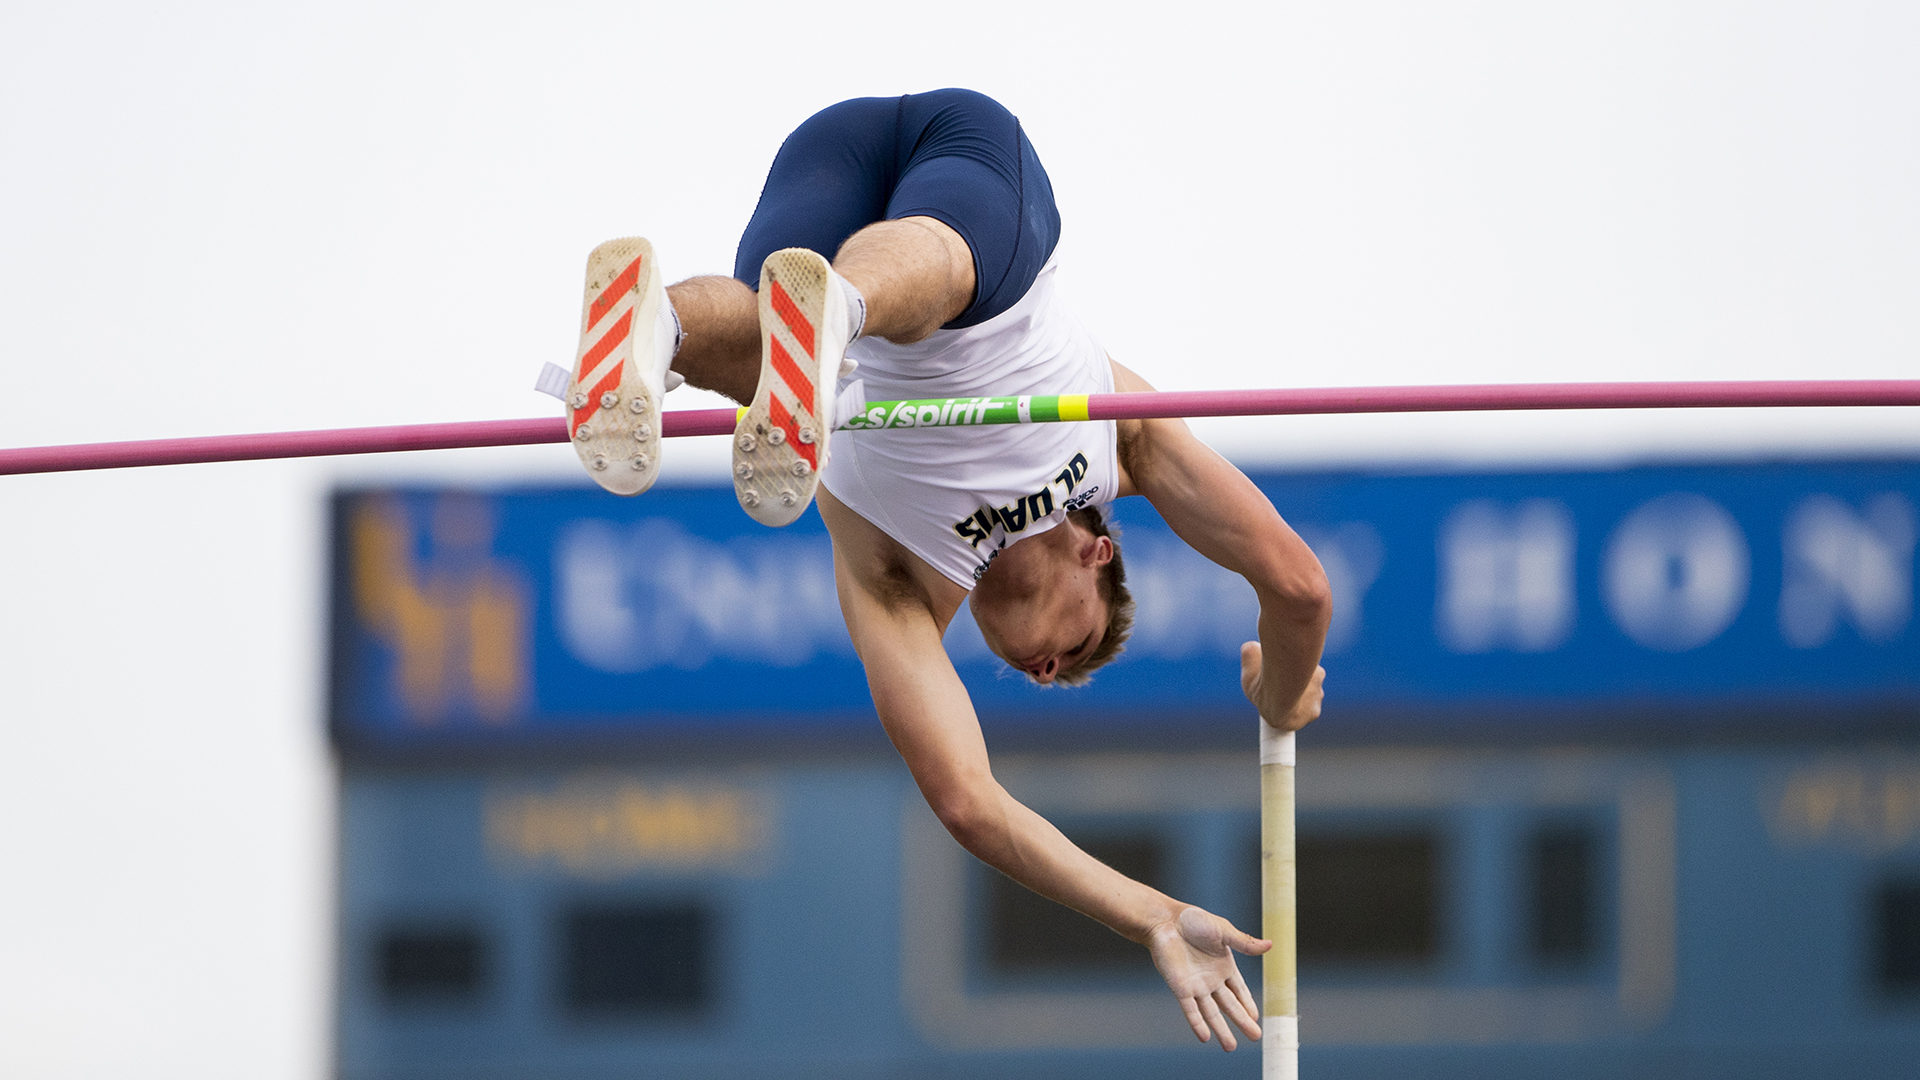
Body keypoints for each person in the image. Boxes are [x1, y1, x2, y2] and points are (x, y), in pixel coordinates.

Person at [562, 89, 1330, 1052]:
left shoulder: (899, 578)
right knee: (946, 291)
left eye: (1049, 674)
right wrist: (1285, 692)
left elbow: (969, 800)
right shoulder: (1122, 445)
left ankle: (653, 330)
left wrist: (1153, 915)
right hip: (966, 181)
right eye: (1077, 647)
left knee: (770, 335)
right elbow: (1297, 587)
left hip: (821, 183)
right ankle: (832, 315)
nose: (1044, 671)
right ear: (1102, 548)